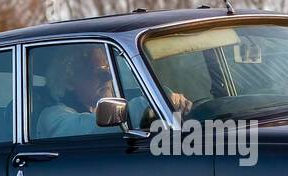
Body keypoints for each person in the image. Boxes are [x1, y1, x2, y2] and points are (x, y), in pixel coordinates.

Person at [34, 45, 190, 138]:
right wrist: (153, 104)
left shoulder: (98, 107)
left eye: (109, 71)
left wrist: (171, 99)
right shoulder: (53, 118)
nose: (109, 77)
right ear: (69, 81)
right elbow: (93, 128)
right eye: (100, 73)